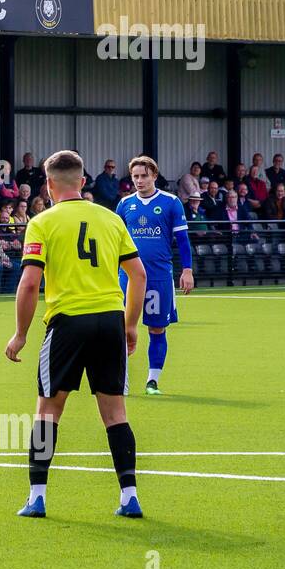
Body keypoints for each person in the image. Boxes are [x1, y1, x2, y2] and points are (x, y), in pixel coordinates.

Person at [5, 149, 147, 520]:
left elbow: (29, 282)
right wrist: (130, 325)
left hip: (68, 322)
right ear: (83, 182)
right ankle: (129, 496)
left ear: (49, 185)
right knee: (115, 413)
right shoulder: (111, 219)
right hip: (109, 321)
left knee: (48, 412)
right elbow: (139, 276)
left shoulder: (42, 222)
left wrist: (20, 334)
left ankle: (37, 497)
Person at [116, 156, 194, 396]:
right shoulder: (124, 205)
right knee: (119, 328)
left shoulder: (171, 203)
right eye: (135, 176)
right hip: (127, 277)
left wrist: (187, 270)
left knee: (157, 329)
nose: (139, 181)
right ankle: (121, 379)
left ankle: (152, 381)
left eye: (143, 176)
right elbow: (115, 242)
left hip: (159, 276)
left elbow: (182, 240)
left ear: (154, 176)